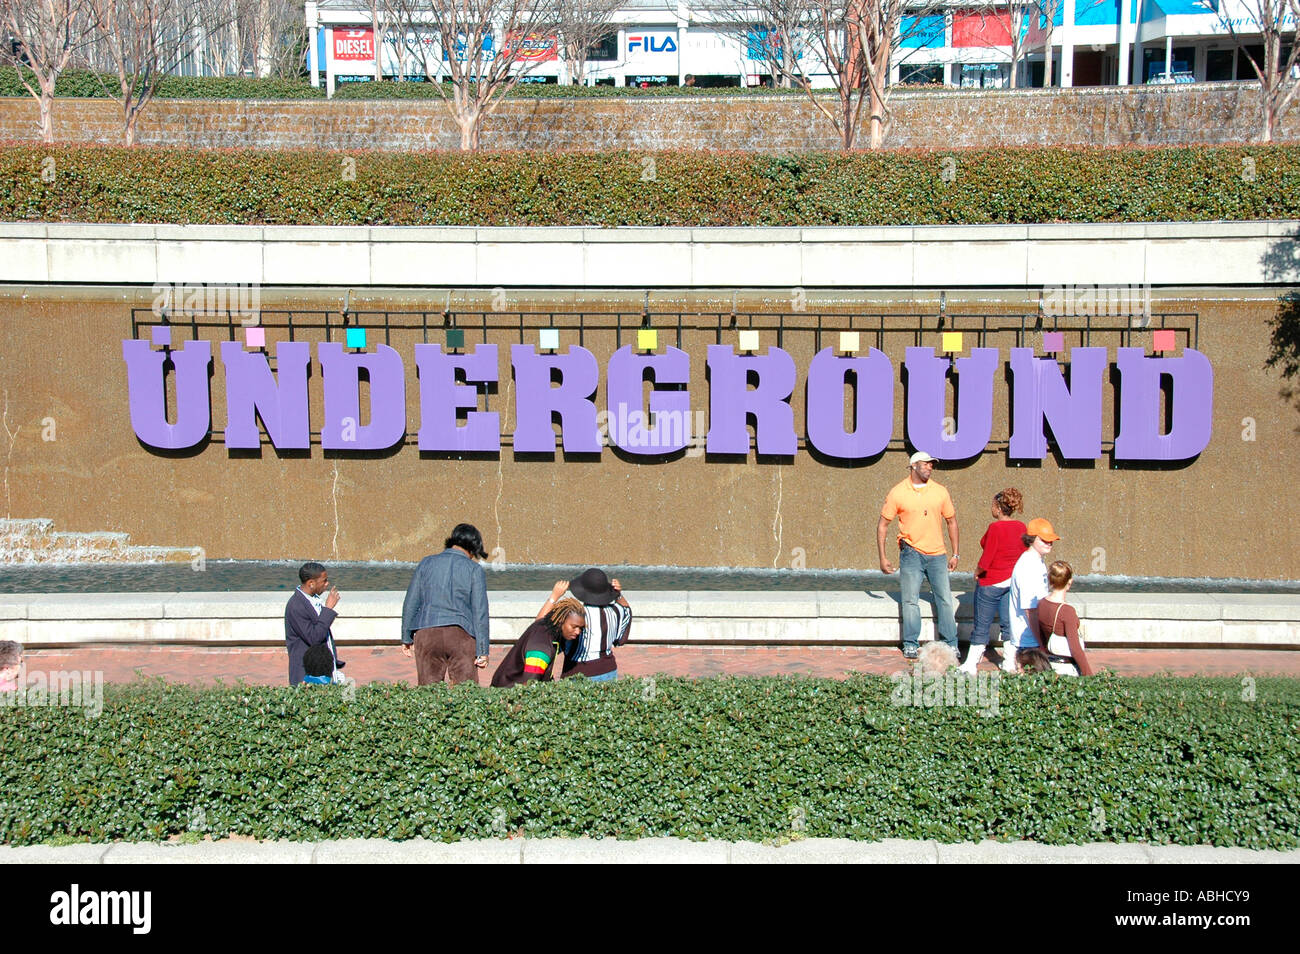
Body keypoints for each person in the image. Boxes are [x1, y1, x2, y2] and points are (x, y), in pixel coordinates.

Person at [878, 451, 960, 659]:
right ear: (913, 466)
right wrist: (882, 557)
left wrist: (956, 553)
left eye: (932, 464)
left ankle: (951, 643)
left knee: (945, 599)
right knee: (910, 600)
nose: (930, 467)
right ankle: (911, 643)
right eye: (926, 464)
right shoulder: (898, 492)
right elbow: (883, 525)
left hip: (938, 554)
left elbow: (951, 521)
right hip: (911, 553)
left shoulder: (940, 491)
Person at [401, 523, 490, 686]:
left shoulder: (426, 563)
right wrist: (482, 650)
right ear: (473, 548)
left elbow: (411, 602)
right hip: (461, 635)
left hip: (427, 633)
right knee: (465, 695)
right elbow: (480, 611)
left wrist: (406, 637)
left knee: (429, 695)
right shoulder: (474, 569)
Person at [961, 488, 1027, 674]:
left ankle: (970, 665)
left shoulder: (995, 528)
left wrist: (977, 571)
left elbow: (987, 558)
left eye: (992, 505)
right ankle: (1009, 663)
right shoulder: (1021, 527)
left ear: (998, 508)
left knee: (981, 625)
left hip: (990, 583)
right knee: (1008, 624)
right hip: (1010, 583)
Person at [492, 583, 585, 688]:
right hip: (507, 692)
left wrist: (554, 597)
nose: (578, 632)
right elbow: (529, 685)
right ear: (560, 621)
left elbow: (540, 619)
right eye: (574, 626)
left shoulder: (547, 626)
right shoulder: (541, 650)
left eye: (581, 628)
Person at [1006, 517, 1060, 673]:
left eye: (1051, 540)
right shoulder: (1028, 566)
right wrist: (1040, 642)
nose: (1049, 543)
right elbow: (1030, 610)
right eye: (1045, 540)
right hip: (1029, 641)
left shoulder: (1037, 560)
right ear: (1032, 539)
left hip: (1030, 638)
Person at [561, 568, 632, 682]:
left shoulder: (575, 616)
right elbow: (627, 610)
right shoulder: (616, 611)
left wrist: (553, 598)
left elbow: (540, 627)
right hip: (609, 670)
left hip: (579, 672)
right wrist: (618, 594)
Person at [285, 562, 342, 686]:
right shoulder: (296, 606)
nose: (327, 584)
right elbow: (314, 637)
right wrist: (328, 609)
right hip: (306, 676)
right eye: (324, 581)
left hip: (321, 671)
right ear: (311, 583)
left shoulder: (313, 600)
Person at [1036, 560, 1095, 676]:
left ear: (1050, 579)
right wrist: (1089, 675)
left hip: (1049, 664)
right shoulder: (1067, 611)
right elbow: (1075, 649)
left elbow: (1040, 638)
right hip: (1067, 668)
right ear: (1069, 582)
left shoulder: (1041, 604)